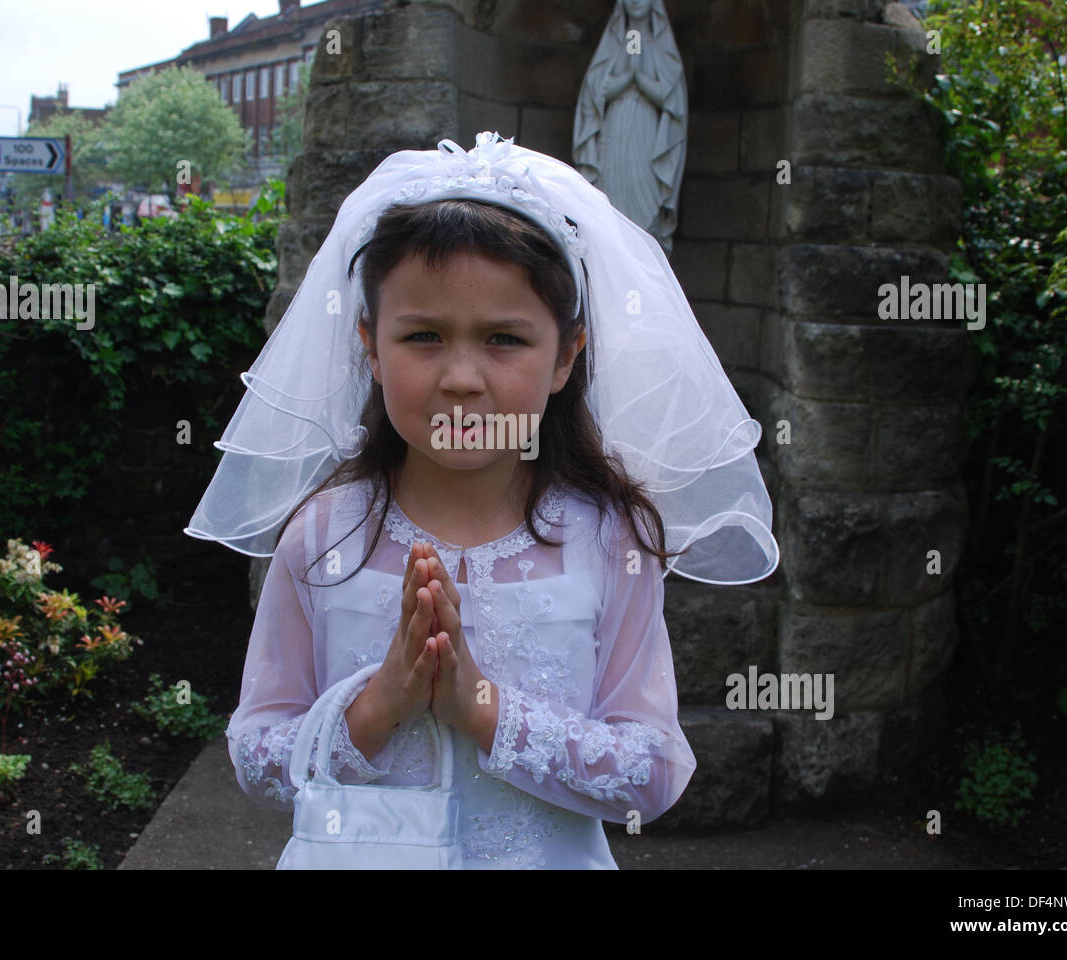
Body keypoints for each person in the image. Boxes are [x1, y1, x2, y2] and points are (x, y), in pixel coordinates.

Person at [185, 131, 779, 868]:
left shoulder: (607, 540)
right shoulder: (323, 536)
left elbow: (651, 773)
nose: (462, 377)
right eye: (424, 336)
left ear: (566, 355)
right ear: (370, 346)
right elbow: (255, 753)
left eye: (504, 339)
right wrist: (378, 707)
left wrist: (481, 707)